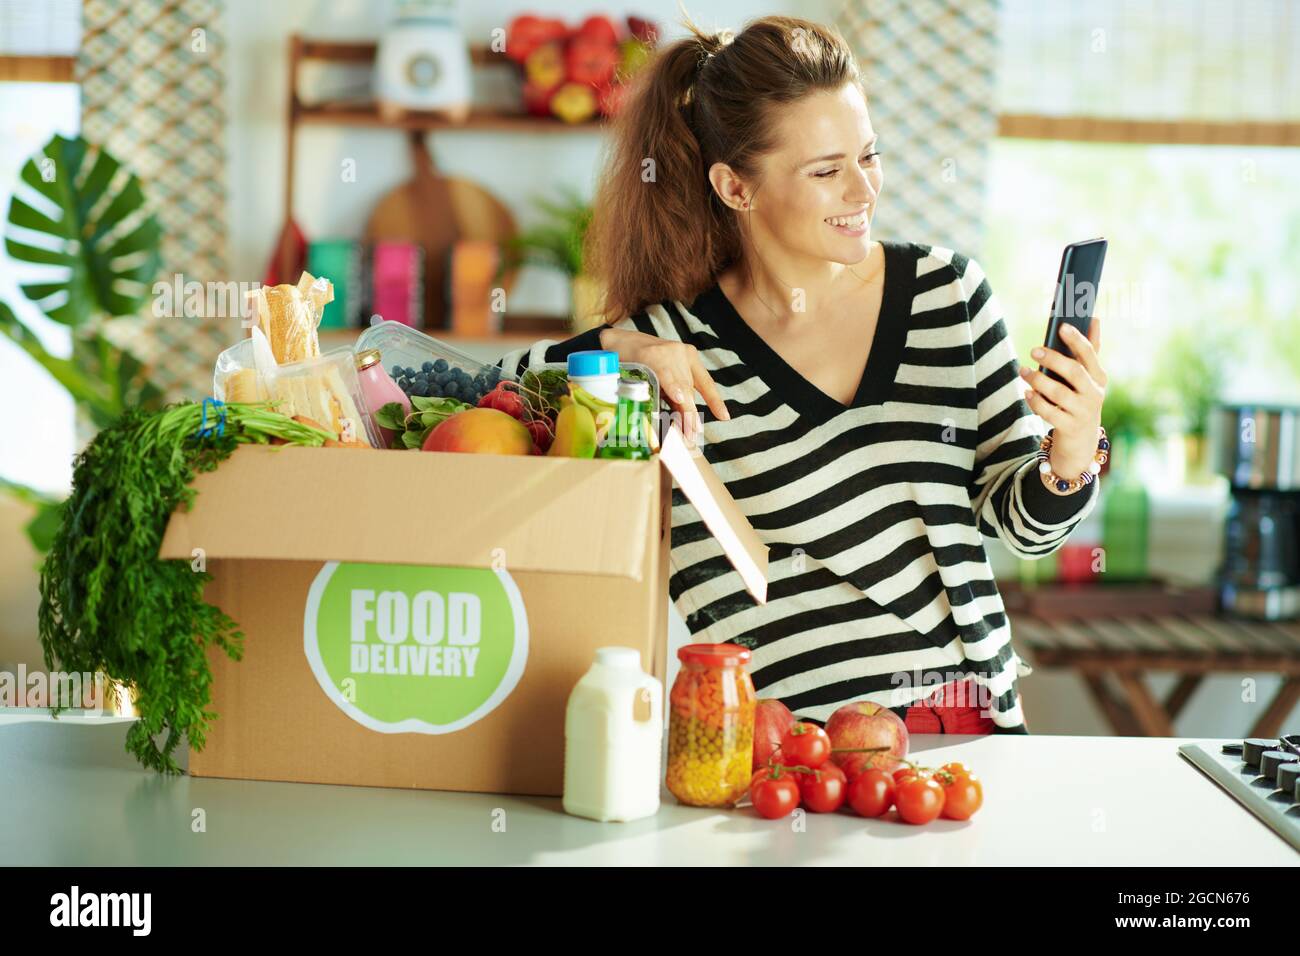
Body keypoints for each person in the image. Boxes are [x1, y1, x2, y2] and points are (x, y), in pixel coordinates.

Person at [496, 15, 1110, 734]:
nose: (863, 190)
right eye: (826, 171)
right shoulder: (674, 350)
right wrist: (620, 351)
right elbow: (463, 398)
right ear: (735, 187)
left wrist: (1071, 454)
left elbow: (1018, 527)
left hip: (968, 733)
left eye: (869, 155)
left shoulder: (948, 295)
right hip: (785, 762)